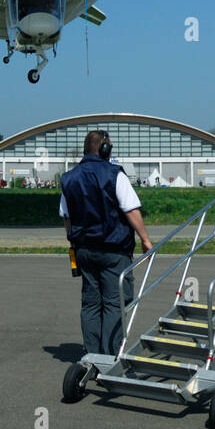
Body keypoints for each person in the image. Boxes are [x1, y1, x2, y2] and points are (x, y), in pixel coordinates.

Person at [60, 130, 153, 356]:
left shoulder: (69, 178)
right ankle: (111, 356)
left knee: (90, 304)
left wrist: (74, 242)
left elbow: (66, 216)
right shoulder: (114, 175)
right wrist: (145, 239)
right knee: (114, 303)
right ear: (104, 149)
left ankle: (92, 355)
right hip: (113, 250)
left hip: (84, 250)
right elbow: (130, 209)